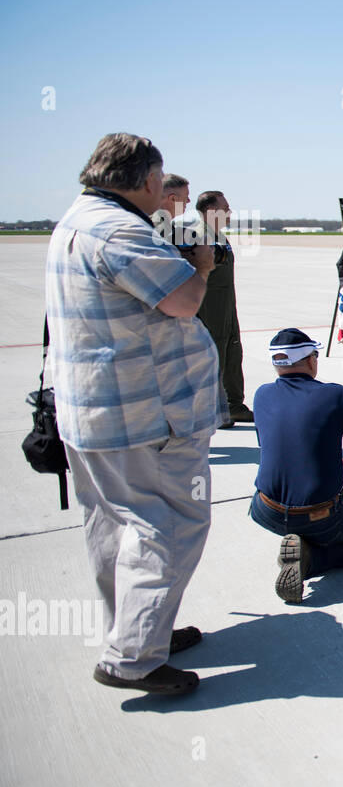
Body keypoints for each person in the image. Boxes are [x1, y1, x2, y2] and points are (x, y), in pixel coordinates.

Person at [46, 133, 222, 696]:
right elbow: (185, 300)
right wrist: (201, 263)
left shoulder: (74, 220)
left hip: (94, 415)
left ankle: (139, 631)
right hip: (145, 418)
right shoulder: (121, 231)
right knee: (169, 525)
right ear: (148, 181)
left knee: (113, 526)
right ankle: (134, 657)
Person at [249, 329, 343, 603]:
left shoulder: (261, 395)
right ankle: (309, 559)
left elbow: (286, 448)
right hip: (317, 514)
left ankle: (298, 542)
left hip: (267, 510)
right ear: (312, 360)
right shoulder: (336, 395)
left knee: (302, 521)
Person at [193, 190, 253, 425]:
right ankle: (215, 410)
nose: (229, 213)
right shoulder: (197, 237)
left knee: (232, 353)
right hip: (209, 308)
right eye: (225, 208)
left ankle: (233, 405)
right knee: (214, 358)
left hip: (227, 305)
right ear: (210, 211)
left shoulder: (218, 236)